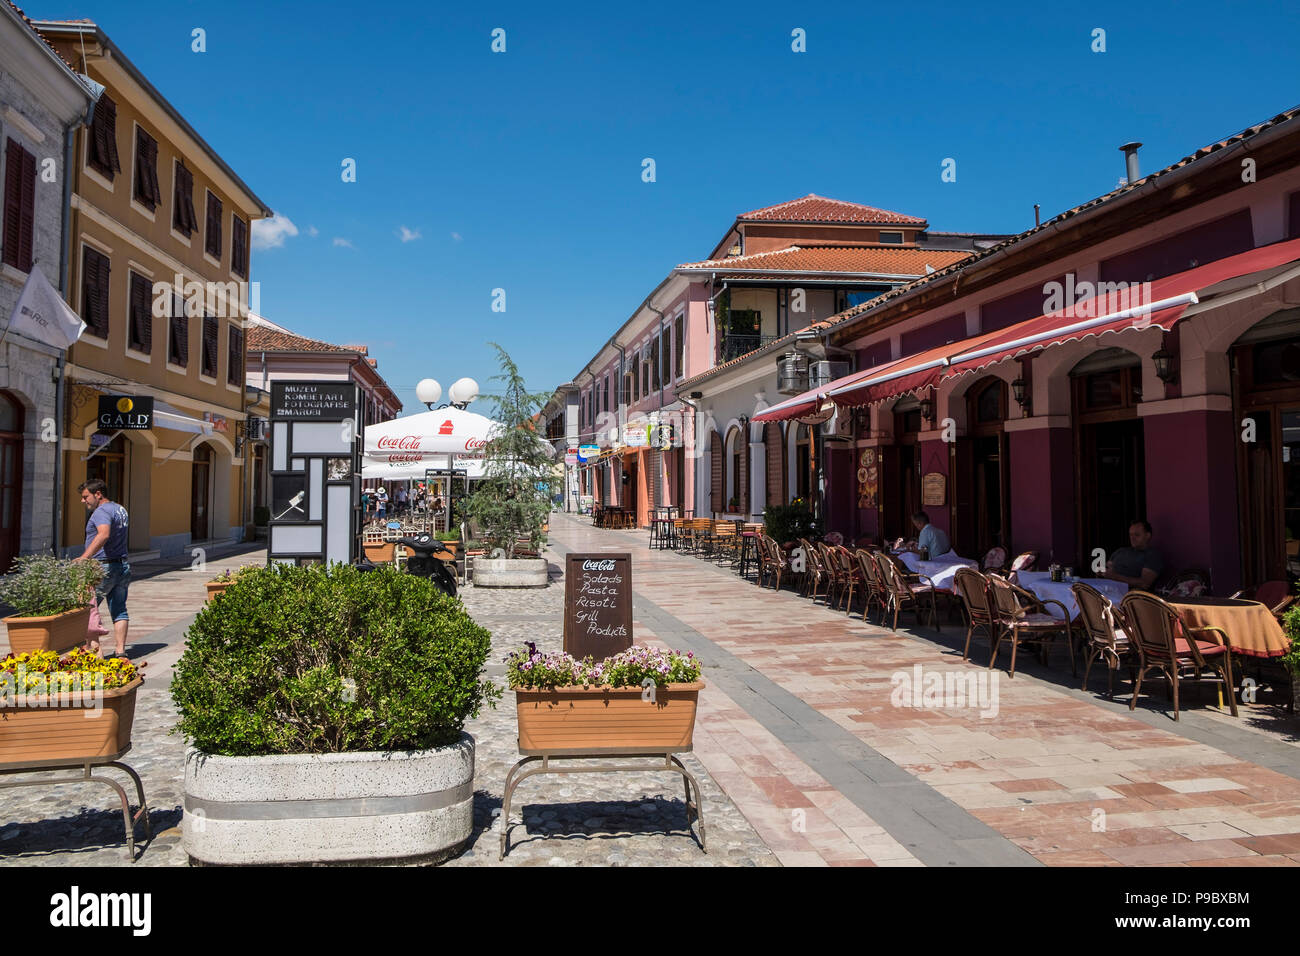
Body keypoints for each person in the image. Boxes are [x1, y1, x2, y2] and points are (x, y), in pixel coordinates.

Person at [73, 479, 131, 659]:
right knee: (120, 609)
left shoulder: (101, 512)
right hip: (121, 565)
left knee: (85, 609)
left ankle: (94, 653)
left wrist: (84, 557)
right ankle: (120, 651)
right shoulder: (120, 509)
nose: (83, 501)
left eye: (85, 497)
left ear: (98, 494)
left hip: (102, 567)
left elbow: (104, 534)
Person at [1103, 519, 1164, 590]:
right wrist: (1101, 571)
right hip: (1106, 589)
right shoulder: (1120, 551)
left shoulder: (1152, 555)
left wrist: (1114, 577)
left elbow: (1144, 584)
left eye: (1137, 535)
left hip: (1129, 596)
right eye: (1131, 535)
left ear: (1147, 535)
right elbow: (1108, 569)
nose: (1132, 538)